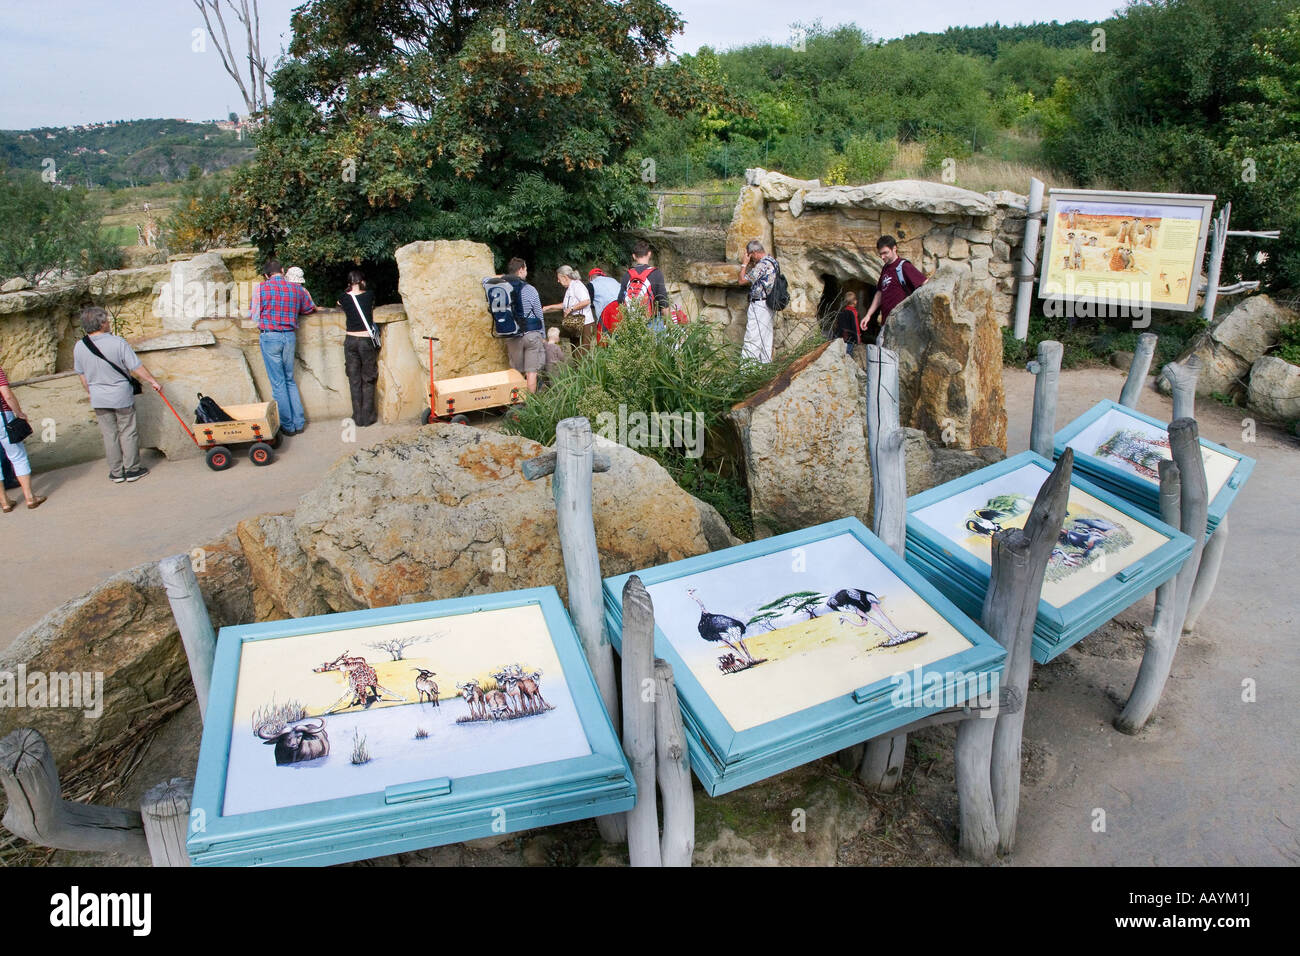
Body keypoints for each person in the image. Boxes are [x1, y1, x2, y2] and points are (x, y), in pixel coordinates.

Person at [72, 306, 164, 484]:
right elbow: (135, 367)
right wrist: (153, 381)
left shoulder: (79, 346)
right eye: (106, 320)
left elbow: (82, 375)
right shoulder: (117, 342)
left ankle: (116, 472)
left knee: (109, 434)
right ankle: (132, 469)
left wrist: (90, 392)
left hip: (99, 397)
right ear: (102, 323)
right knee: (128, 431)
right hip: (120, 395)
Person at [250, 258, 315, 435]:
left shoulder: (261, 289)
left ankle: (288, 425)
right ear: (283, 270)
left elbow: (254, 316)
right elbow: (309, 308)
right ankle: (299, 422)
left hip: (270, 336)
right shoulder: (296, 289)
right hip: (289, 336)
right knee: (289, 380)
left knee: (278, 384)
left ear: (265, 275)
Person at [861, 235, 926, 343]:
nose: (882, 257)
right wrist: (868, 315)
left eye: (885, 252)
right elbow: (879, 293)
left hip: (901, 324)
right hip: (886, 323)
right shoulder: (885, 269)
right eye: (880, 254)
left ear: (894, 249)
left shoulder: (904, 266)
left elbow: (924, 283)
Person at [0, 363, 46, 511]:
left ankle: (5, 502)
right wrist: (19, 412)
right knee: (17, 455)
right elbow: (6, 394)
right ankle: (30, 498)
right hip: (2, 417)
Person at [337, 269, 379, 427]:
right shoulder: (369, 295)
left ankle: (357, 416)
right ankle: (367, 418)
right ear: (362, 281)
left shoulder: (343, 297)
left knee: (354, 380)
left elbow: (340, 304)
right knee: (368, 378)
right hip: (365, 341)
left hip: (350, 340)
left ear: (349, 283)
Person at [501, 257, 546, 394]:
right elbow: (539, 313)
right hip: (531, 335)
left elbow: (485, 279)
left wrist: (503, 278)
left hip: (512, 336)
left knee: (517, 373)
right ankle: (529, 406)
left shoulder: (502, 289)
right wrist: (543, 334)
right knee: (531, 372)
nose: (526, 272)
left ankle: (517, 403)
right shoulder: (530, 289)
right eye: (525, 269)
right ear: (520, 270)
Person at [738, 239, 778, 363]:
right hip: (768, 304)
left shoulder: (762, 265)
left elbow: (742, 280)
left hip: (760, 304)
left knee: (752, 338)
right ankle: (764, 368)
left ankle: (746, 372)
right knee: (766, 337)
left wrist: (744, 264)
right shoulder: (773, 261)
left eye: (750, 255)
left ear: (754, 253)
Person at [617, 239, 670, 329]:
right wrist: (669, 324)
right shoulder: (656, 274)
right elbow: (663, 302)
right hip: (653, 323)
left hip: (632, 324)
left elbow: (620, 301)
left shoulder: (628, 275)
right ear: (649, 254)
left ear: (634, 256)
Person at [543, 265, 596, 350]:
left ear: (564, 277)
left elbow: (586, 301)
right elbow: (565, 305)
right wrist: (548, 308)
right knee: (575, 351)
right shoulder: (570, 288)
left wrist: (571, 309)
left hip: (584, 324)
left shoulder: (577, 285)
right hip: (575, 324)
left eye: (559, 278)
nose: (558, 281)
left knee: (582, 352)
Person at [831, 291, 861, 357]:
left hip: (841, 336)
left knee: (840, 353)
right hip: (850, 337)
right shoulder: (853, 312)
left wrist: (835, 335)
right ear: (853, 301)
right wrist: (858, 337)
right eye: (856, 299)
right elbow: (855, 326)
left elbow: (837, 324)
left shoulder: (842, 311)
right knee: (848, 354)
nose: (857, 301)